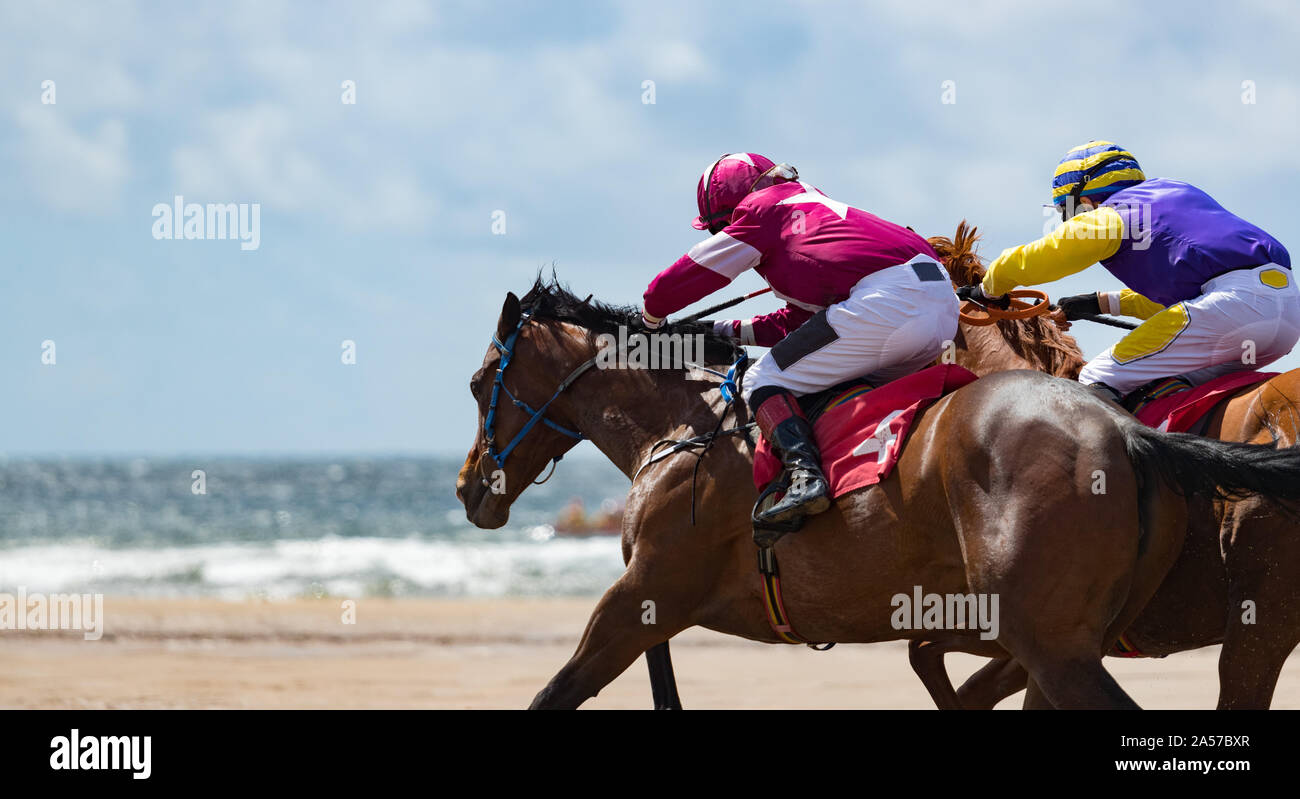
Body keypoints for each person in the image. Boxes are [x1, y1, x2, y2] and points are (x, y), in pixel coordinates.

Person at [638, 153, 959, 526]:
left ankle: (806, 480)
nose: (724, 234)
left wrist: (651, 317)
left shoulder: (761, 210)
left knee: (761, 379)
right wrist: (718, 330)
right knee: (836, 385)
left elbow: (687, 275)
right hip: (939, 312)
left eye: (720, 228)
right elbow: (800, 325)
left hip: (888, 306)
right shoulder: (811, 212)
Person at [966, 140, 1299, 404]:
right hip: (1283, 318)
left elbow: (1044, 256)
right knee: (1161, 386)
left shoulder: (1112, 214)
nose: (1069, 220)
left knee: (1096, 378)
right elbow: (1193, 305)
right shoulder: (1175, 191)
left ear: (1085, 199)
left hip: (1235, 311)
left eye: (1068, 211)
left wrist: (989, 288)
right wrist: (1099, 302)